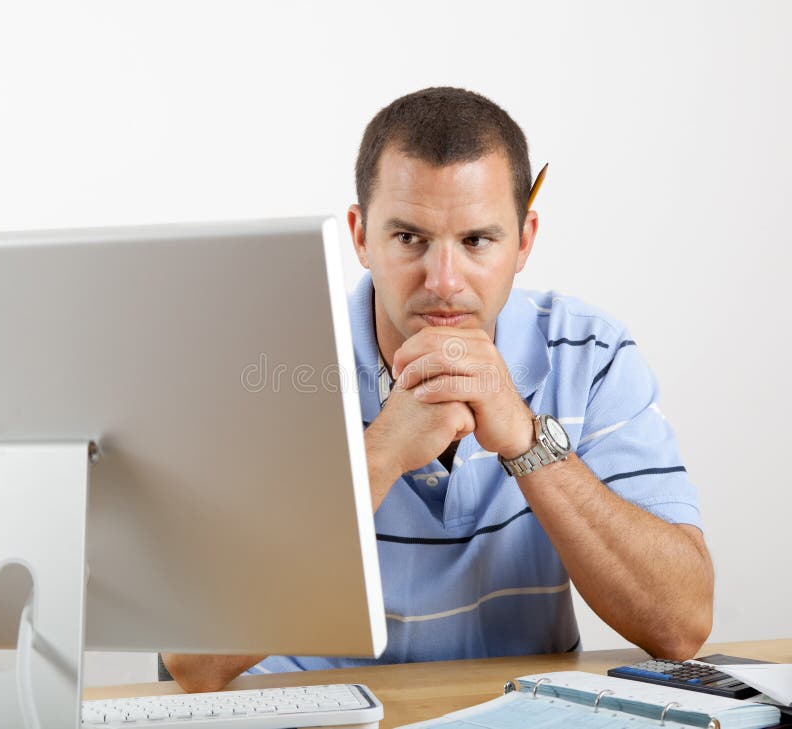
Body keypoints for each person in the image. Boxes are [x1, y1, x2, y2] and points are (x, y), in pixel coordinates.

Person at [164, 87, 714, 693]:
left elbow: (681, 626)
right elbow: (192, 657)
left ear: (525, 239)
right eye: (408, 238)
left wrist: (527, 440)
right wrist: (380, 456)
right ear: (360, 236)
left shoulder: (593, 354)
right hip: (314, 715)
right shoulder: (266, 361)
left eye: (478, 241)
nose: (444, 282)